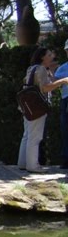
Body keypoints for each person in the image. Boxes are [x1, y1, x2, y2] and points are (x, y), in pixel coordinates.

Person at [18, 46, 68, 172]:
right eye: (49, 55)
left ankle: (23, 163)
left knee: (27, 135)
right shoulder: (41, 69)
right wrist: (62, 81)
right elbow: (45, 88)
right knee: (35, 137)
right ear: (42, 57)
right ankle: (33, 165)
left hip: (27, 105)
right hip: (37, 106)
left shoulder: (32, 68)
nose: (52, 57)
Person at [51, 41, 68, 169]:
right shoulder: (63, 68)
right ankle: (66, 159)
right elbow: (53, 82)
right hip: (66, 100)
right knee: (65, 130)